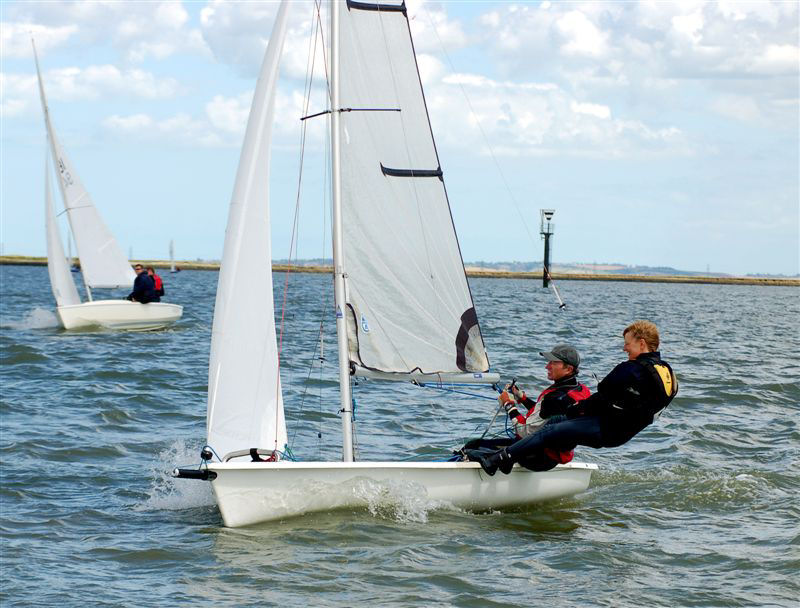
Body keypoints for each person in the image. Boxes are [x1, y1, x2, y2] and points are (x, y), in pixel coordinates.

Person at [467, 320, 678, 476]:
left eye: (627, 344)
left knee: (552, 428)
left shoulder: (632, 369)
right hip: (622, 431)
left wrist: (511, 406)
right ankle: (504, 457)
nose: (624, 348)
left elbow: (603, 393)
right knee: (557, 422)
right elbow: (642, 407)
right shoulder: (667, 373)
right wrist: (524, 400)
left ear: (641, 343)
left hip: (606, 429)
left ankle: (501, 459)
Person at [462, 344, 591, 471]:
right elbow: (546, 416)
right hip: (553, 455)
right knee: (480, 446)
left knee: (472, 447)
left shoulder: (553, 398)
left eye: (553, 363)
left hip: (536, 458)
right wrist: (522, 398)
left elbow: (524, 432)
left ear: (568, 369)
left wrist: (508, 405)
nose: (547, 366)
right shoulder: (579, 390)